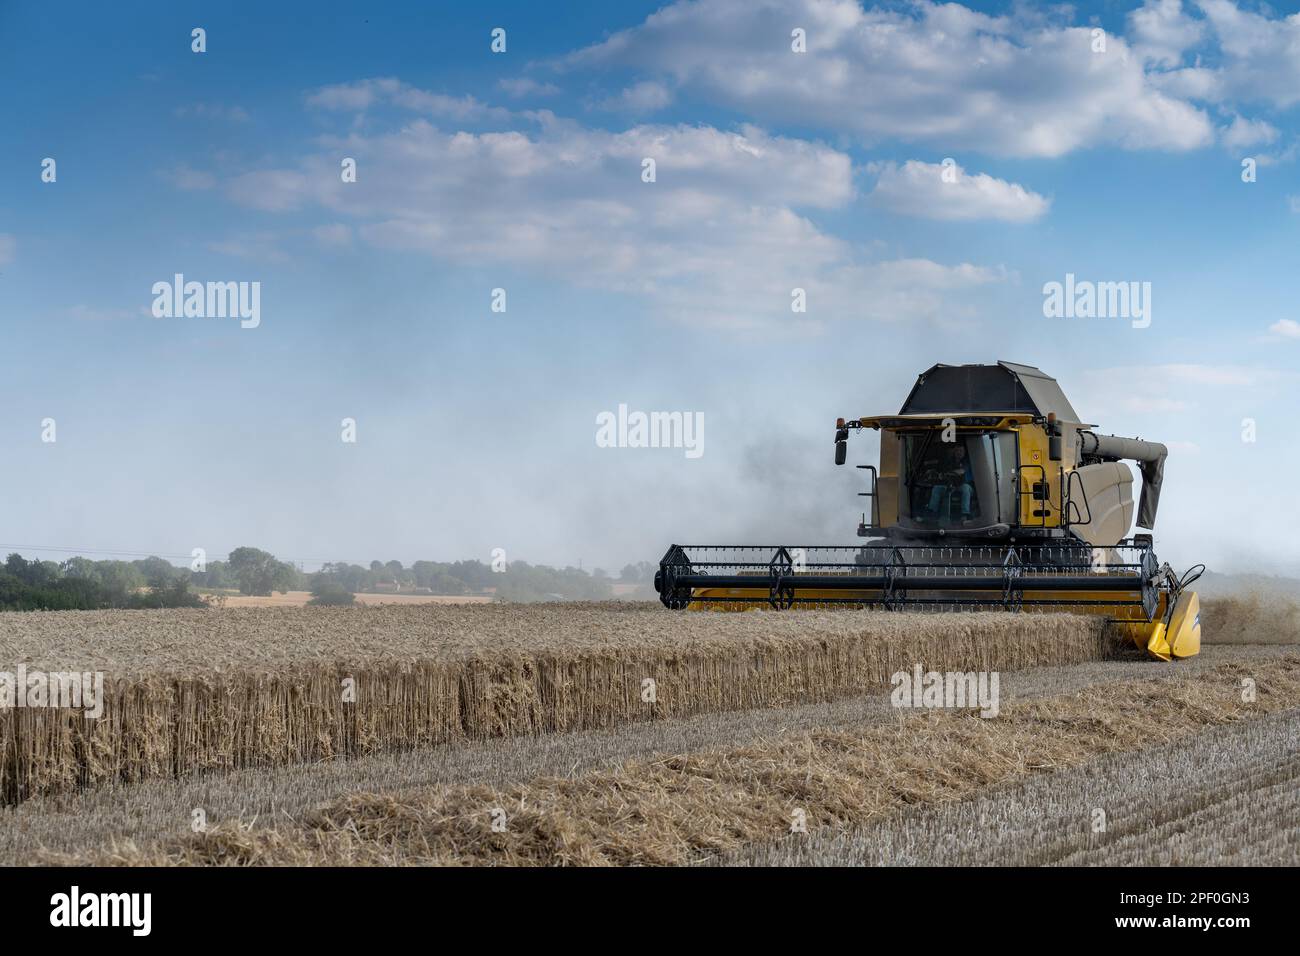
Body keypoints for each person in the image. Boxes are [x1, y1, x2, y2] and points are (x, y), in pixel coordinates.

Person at [925, 444, 974, 519]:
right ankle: (932, 511)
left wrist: (948, 474)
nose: (959, 452)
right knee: (936, 488)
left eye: (961, 451)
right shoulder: (949, 461)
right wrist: (941, 475)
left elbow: (961, 471)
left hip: (963, 484)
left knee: (966, 489)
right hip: (949, 483)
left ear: (964, 452)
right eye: (957, 450)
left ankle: (965, 513)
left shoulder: (967, 461)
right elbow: (943, 471)